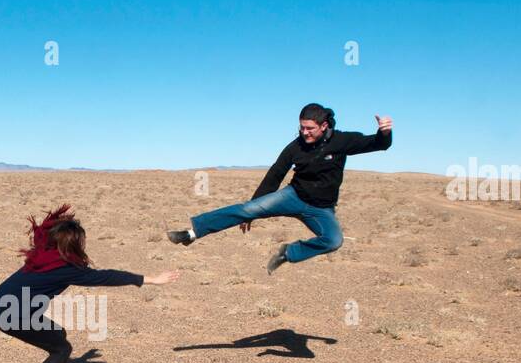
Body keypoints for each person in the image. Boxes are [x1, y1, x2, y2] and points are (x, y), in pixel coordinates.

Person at [0, 205, 178, 363]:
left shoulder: (45, 256)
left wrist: (87, 356)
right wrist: (151, 279)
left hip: (3, 304)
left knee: (58, 335)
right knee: (61, 349)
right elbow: (106, 277)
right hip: (12, 313)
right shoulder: (64, 269)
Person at [167, 104, 393, 274]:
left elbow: (379, 144)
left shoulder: (343, 141)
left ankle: (288, 253)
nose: (304, 132)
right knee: (246, 209)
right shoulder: (295, 147)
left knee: (334, 240)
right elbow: (275, 174)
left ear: (324, 126)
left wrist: (384, 132)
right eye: (301, 127)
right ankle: (192, 233)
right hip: (292, 196)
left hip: (321, 208)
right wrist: (254, 208)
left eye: (309, 128)